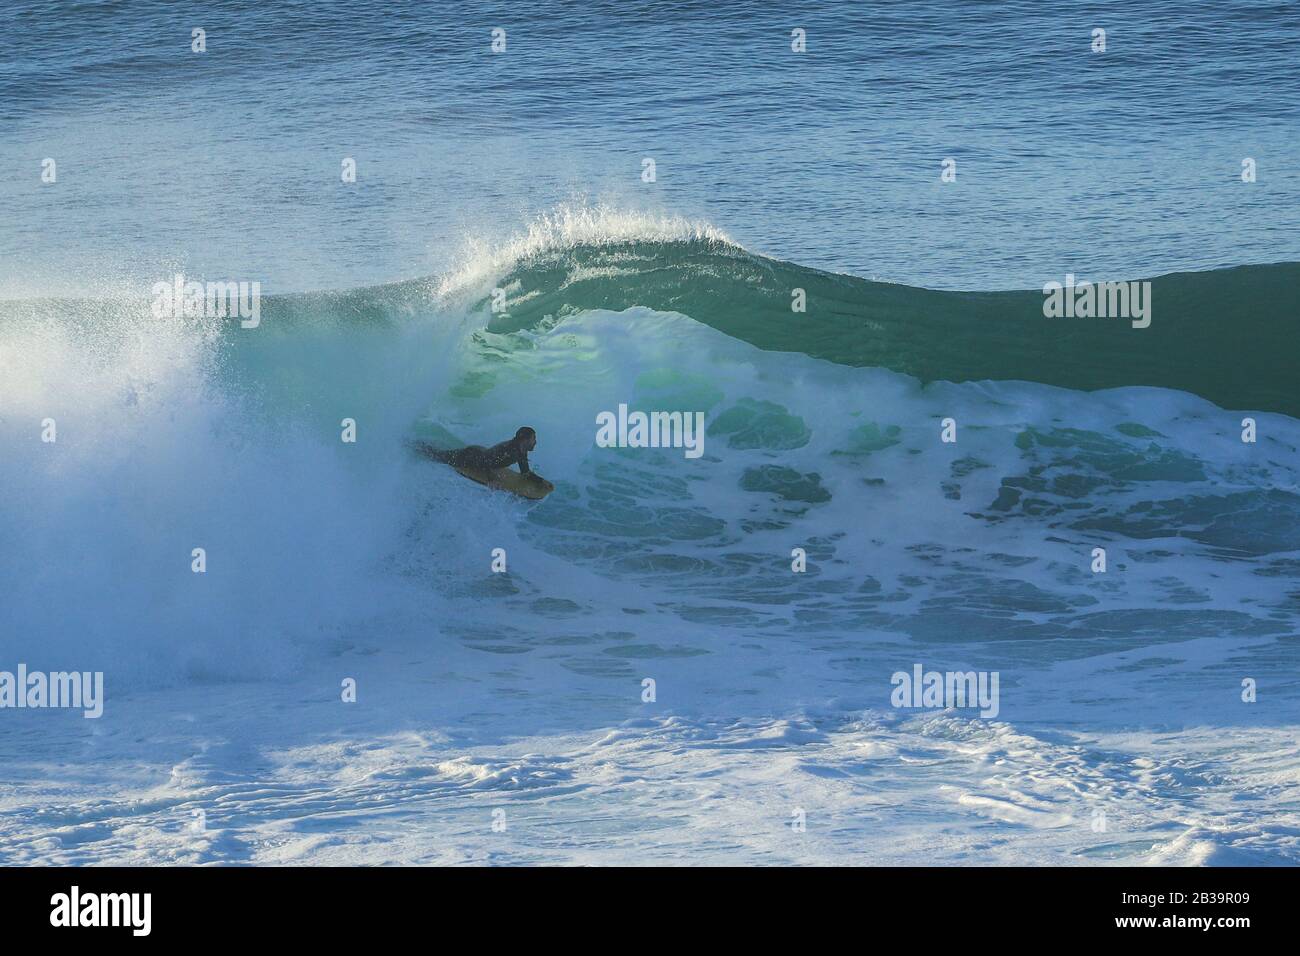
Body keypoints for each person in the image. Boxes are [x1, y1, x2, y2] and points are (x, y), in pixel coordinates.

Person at [419, 427, 537, 475]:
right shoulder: (510, 451)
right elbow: (486, 462)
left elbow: (525, 471)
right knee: (436, 456)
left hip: (479, 452)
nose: (535, 442)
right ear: (525, 440)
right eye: (533, 439)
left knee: (439, 454)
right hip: (470, 457)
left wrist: (539, 481)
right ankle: (413, 444)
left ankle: (422, 445)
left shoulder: (521, 450)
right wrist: (491, 479)